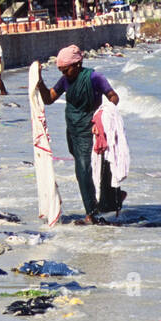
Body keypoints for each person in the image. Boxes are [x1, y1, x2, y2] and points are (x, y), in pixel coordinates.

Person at [34, 44, 125, 224]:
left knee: (84, 170)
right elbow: (49, 99)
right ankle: (112, 198)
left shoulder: (94, 77)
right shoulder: (65, 80)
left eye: (66, 70)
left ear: (77, 64)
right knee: (85, 170)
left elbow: (113, 97)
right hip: (73, 130)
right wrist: (39, 81)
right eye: (61, 70)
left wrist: (102, 116)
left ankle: (91, 213)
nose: (64, 74)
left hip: (91, 129)